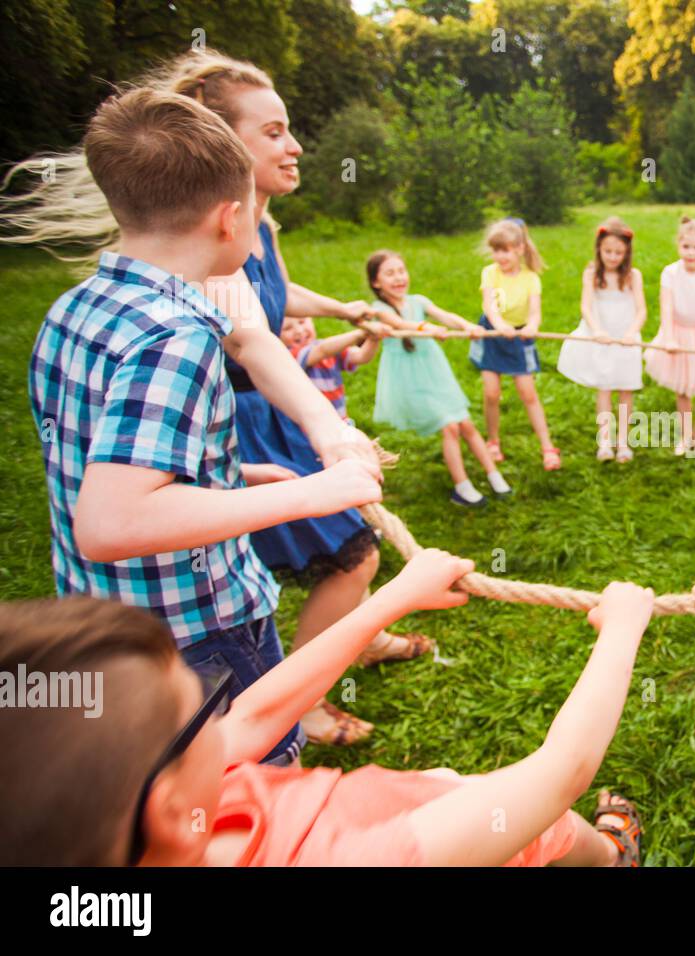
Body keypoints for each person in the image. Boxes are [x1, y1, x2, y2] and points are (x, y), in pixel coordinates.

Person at [25, 88, 382, 767]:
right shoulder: (179, 337)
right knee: (250, 782)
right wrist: (318, 490)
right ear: (230, 219)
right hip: (199, 628)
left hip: (107, 619)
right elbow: (111, 524)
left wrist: (231, 478)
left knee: (167, 781)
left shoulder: (76, 308)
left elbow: (93, 453)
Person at [0, 551, 654, 867]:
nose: (219, 709)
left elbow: (258, 718)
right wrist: (623, 627)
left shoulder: (152, 810)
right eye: (197, 706)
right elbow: (558, 772)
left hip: (422, 803)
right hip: (482, 838)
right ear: (168, 813)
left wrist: (390, 599)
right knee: (554, 827)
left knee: (491, 800)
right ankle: (614, 854)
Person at [367, 249, 512, 506]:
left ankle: (494, 475)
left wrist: (468, 326)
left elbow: (445, 316)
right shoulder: (378, 309)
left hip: (435, 372)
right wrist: (426, 328)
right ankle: (462, 487)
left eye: (401, 271)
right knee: (449, 426)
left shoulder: (418, 301)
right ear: (376, 282)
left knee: (465, 424)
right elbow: (399, 325)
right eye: (390, 273)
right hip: (409, 380)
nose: (399, 277)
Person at [469, 218, 561, 470]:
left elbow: (535, 312)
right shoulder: (490, 273)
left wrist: (531, 326)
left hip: (519, 337)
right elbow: (489, 306)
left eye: (505, 250)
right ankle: (493, 441)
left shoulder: (531, 278)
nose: (499, 256)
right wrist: (499, 326)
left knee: (528, 394)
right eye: (496, 250)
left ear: (519, 249)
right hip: (492, 333)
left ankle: (547, 447)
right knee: (491, 393)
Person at [556, 217, 647, 463]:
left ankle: (624, 442)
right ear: (599, 249)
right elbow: (586, 306)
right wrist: (596, 331)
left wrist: (631, 333)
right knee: (605, 387)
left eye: (619, 252)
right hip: (602, 337)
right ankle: (605, 440)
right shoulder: (592, 274)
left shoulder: (633, 276)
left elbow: (641, 310)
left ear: (627, 252)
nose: (613, 257)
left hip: (626, 338)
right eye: (608, 251)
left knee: (626, 390)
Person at [646, 216, 695, 456]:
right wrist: (669, 338)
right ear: (678, 245)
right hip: (678, 333)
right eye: (686, 246)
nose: (691, 253)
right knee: (681, 389)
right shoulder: (670, 273)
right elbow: (666, 308)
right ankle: (685, 434)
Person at [279, 315, 381, 423]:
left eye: (302, 321)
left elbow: (360, 356)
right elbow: (322, 351)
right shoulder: (288, 356)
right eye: (287, 328)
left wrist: (374, 339)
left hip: (339, 420)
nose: (299, 330)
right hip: (310, 427)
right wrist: (360, 334)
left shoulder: (329, 347)